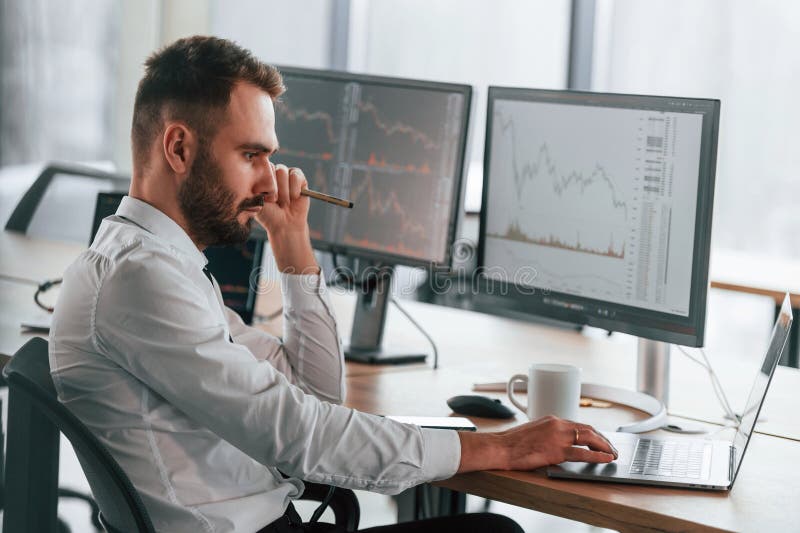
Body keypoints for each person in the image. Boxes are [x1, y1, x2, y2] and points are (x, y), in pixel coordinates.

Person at [49, 36, 617, 533]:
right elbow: (300, 434)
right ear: (178, 148)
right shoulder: (140, 280)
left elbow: (314, 397)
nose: (269, 181)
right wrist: (498, 446)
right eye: (251, 155)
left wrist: (292, 242)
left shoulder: (163, 265)